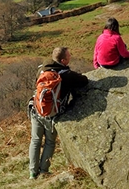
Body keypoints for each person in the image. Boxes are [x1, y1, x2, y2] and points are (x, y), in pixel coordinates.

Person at [28, 46, 88, 179]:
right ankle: (43, 171)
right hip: (52, 114)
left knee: (35, 140)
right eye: (69, 56)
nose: (70, 57)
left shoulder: (42, 69)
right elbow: (84, 81)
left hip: (36, 109)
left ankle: (32, 172)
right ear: (63, 60)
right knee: (49, 142)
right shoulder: (67, 75)